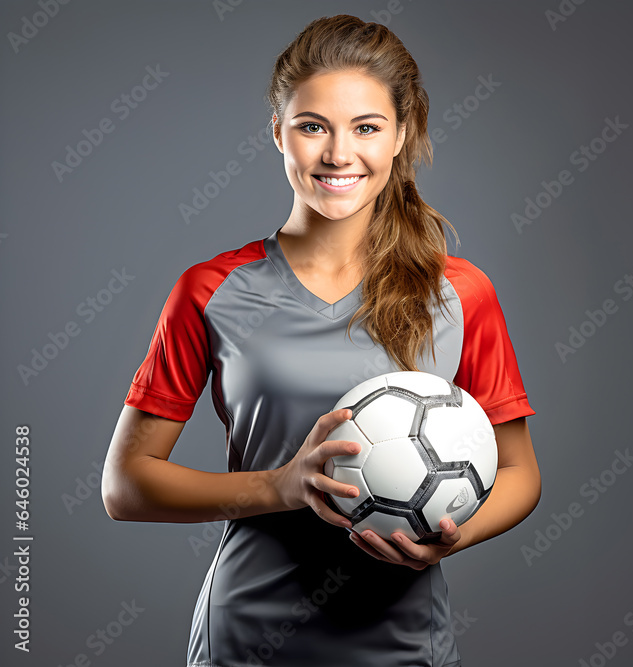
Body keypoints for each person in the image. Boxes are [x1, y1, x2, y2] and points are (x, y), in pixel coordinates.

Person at [101, 15, 540, 667]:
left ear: (401, 135)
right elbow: (126, 485)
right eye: (313, 126)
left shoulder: (460, 291)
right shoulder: (211, 289)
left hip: (402, 646)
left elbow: (521, 473)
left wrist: (453, 534)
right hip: (247, 640)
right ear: (278, 131)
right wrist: (278, 487)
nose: (338, 154)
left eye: (366, 127)